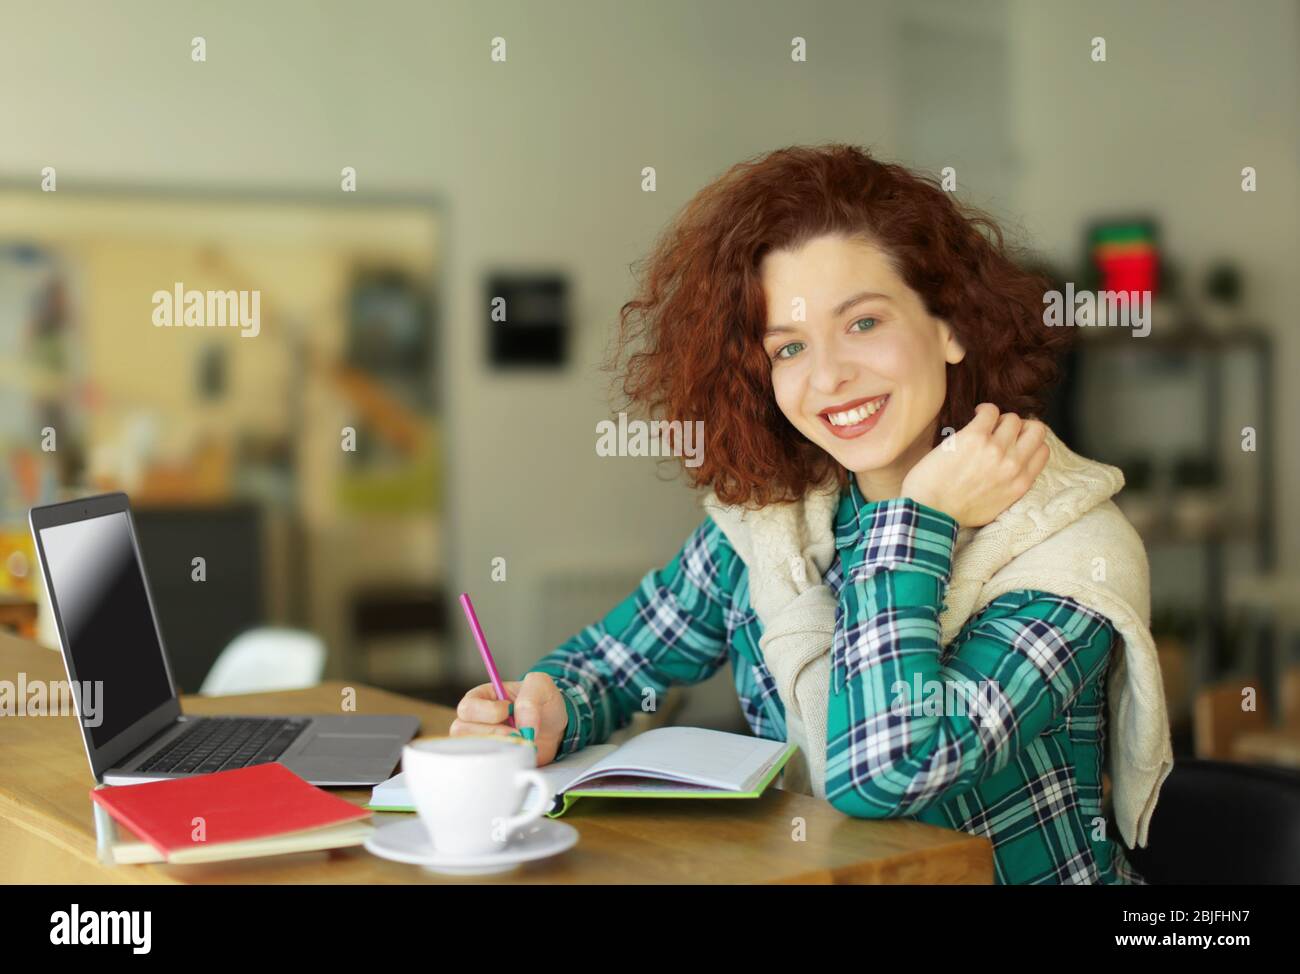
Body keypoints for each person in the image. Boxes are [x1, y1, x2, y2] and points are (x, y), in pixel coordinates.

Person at [452, 144, 1170, 884]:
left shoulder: (1069, 548)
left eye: (862, 324)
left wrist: (917, 518)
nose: (827, 376)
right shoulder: (773, 522)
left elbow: (885, 773)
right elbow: (611, 664)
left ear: (950, 325)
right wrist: (553, 704)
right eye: (789, 347)